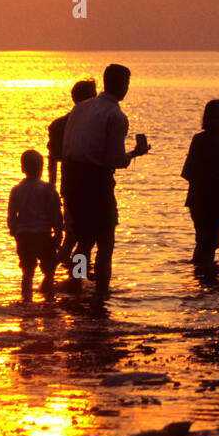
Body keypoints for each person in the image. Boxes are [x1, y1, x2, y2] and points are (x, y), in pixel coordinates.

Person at [61, 63, 151, 300]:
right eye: (127, 83)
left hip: (71, 180)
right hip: (95, 183)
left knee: (83, 240)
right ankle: (101, 291)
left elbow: (68, 146)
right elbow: (116, 160)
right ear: (122, 85)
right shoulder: (116, 116)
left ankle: (77, 283)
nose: (127, 88)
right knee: (105, 242)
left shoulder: (80, 108)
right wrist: (135, 153)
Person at [180, 100, 219, 266]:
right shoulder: (213, 139)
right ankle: (205, 273)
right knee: (208, 239)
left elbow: (189, 172)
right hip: (207, 198)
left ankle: (202, 273)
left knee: (207, 238)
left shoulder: (203, 139)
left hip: (209, 199)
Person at [49, 79, 97, 270]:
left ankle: (54, 272)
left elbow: (52, 160)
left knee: (72, 234)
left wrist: (52, 189)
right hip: (85, 188)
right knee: (85, 238)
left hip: (68, 187)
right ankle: (78, 276)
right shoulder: (87, 125)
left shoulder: (59, 124)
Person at [7, 149, 62, 302]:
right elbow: (55, 213)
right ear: (41, 168)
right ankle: (49, 301)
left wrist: (14, 230)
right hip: (43, 235)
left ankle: (26, 301)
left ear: (22, 168)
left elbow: (12, 214)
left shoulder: (16, 190)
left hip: (24, 236)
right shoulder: (48, 189)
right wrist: (58, 232)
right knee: (49, 270)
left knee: (27, 272)